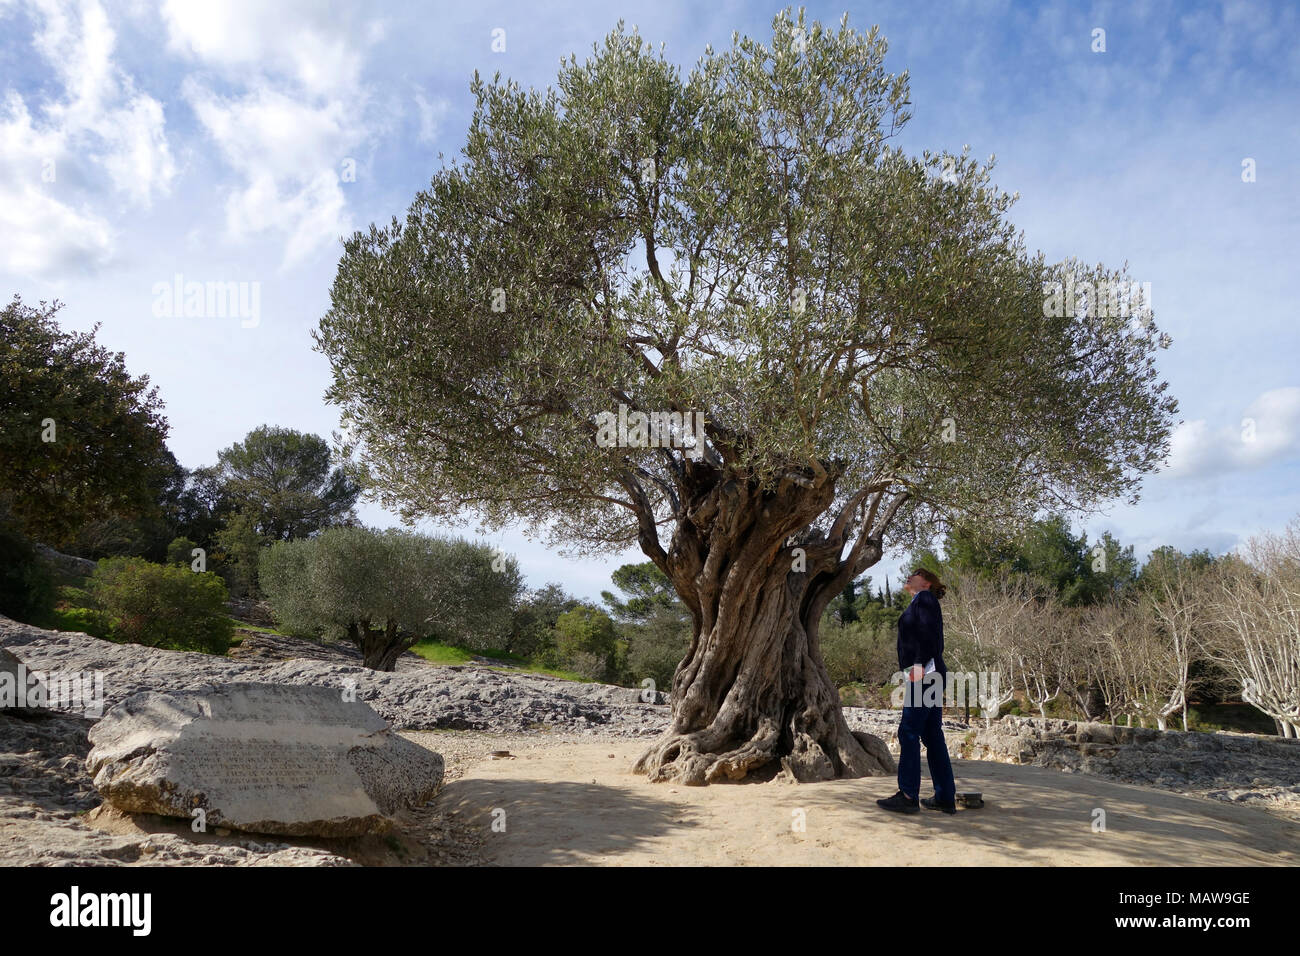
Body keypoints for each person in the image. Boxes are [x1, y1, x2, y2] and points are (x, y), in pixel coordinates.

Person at [877, 567, 958, 815]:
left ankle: (909, 795)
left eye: (917, 573)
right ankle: (945, 797)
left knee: (909, 731)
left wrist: (920, 666)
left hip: (924, 673)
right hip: (931, 673)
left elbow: (929, 637)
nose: (910, 575)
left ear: (928, 583)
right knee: (932, 734)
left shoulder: (924, 598)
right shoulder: (923, 600)